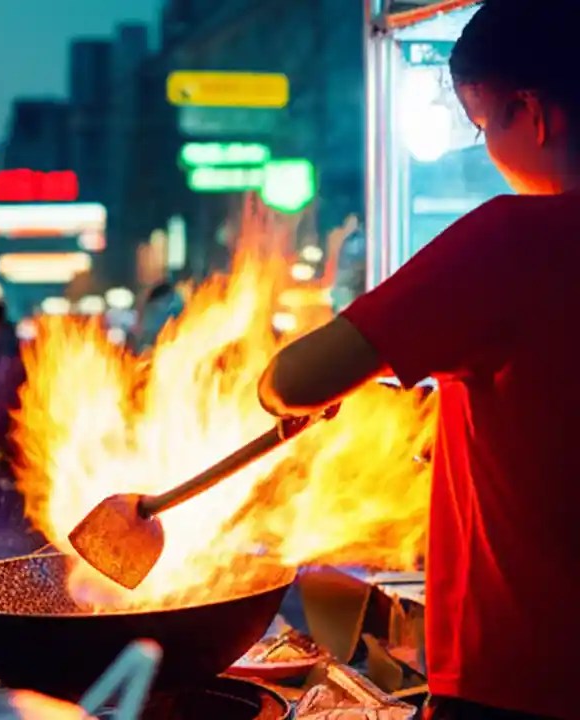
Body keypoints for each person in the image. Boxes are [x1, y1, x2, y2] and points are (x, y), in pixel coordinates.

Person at [258, 3, 580, 718]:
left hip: (521, 684)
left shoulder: (511, 239)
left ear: (530, 112)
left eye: (482, 124)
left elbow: (290, 382)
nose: (487, 149)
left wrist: (355, 371)